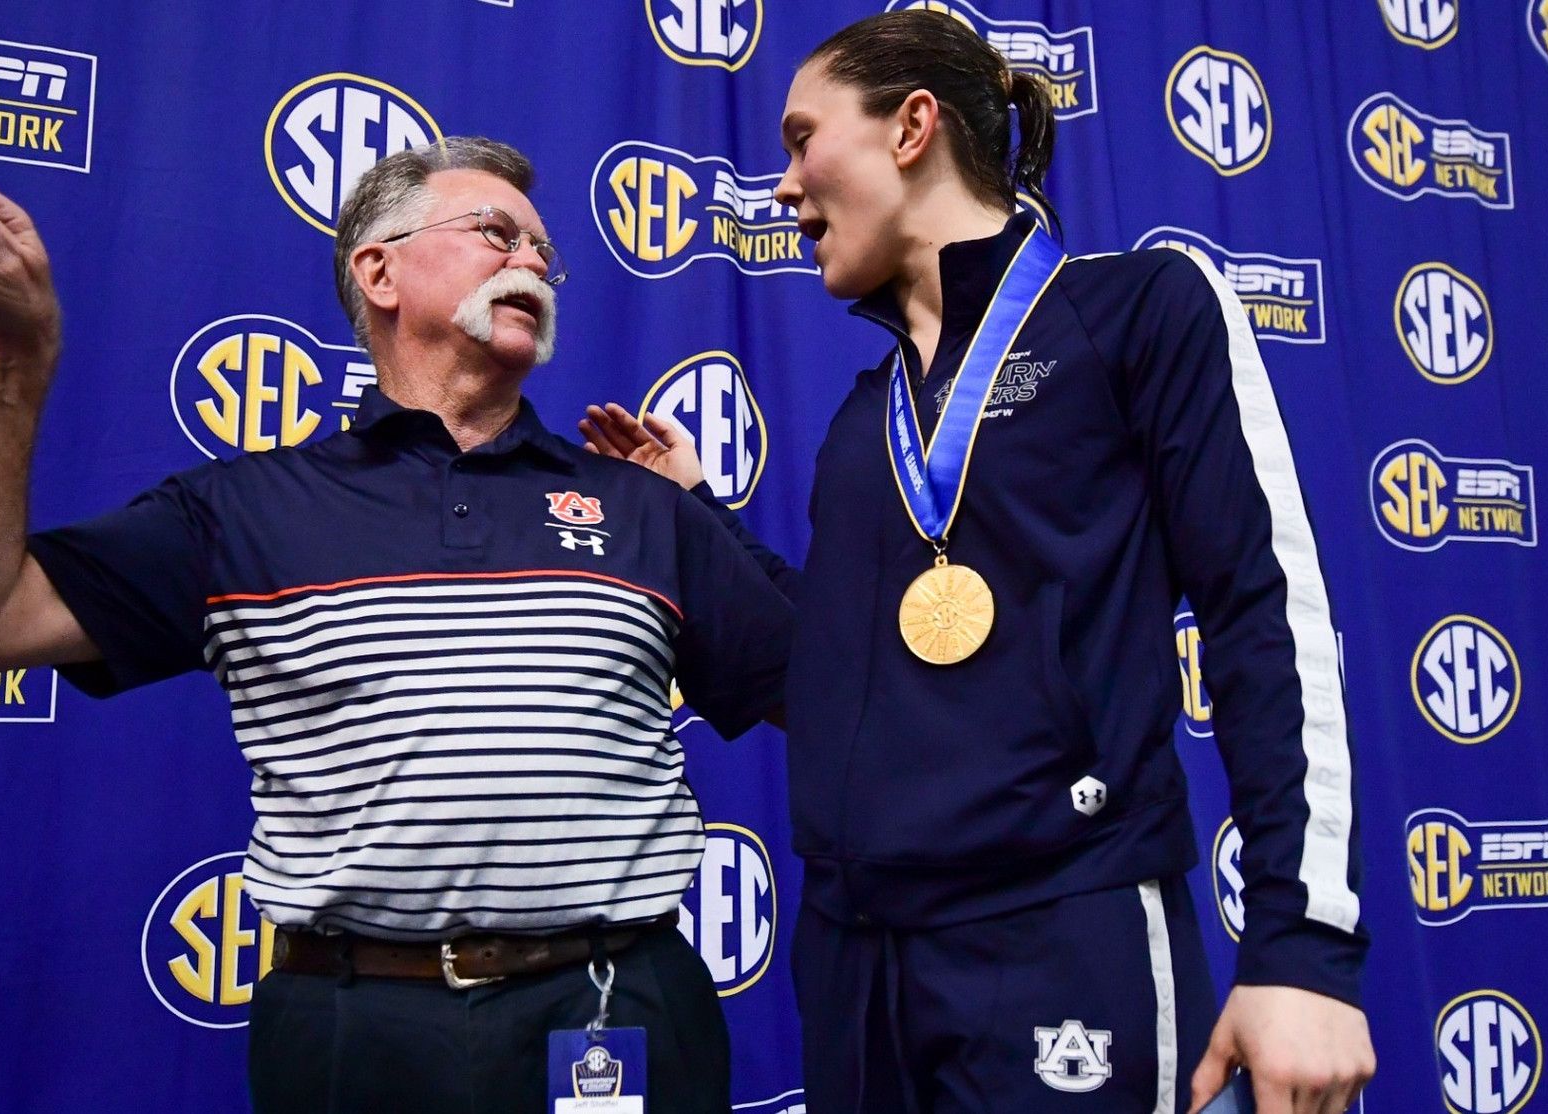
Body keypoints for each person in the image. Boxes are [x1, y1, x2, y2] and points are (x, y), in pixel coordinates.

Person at [0, 129, 790, 1114]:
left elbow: (819, 674)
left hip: (616, 1009)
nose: (531, 260)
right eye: (496, 232)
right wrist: (7, 358)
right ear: (379, 269)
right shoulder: (243, 508)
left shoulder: (643, 504)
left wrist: (702, 506)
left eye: (543, 251)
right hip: (354, 1028)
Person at [580, 11, 1374, 1114]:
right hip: (858, 956)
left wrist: (1301, 949)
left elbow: (1263, 612)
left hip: (1059, 926)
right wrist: (696, 516)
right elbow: (831, 673)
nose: (782, 185)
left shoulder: (1138, 312)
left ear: (912, 127)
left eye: (805, 139)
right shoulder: (870, 417)